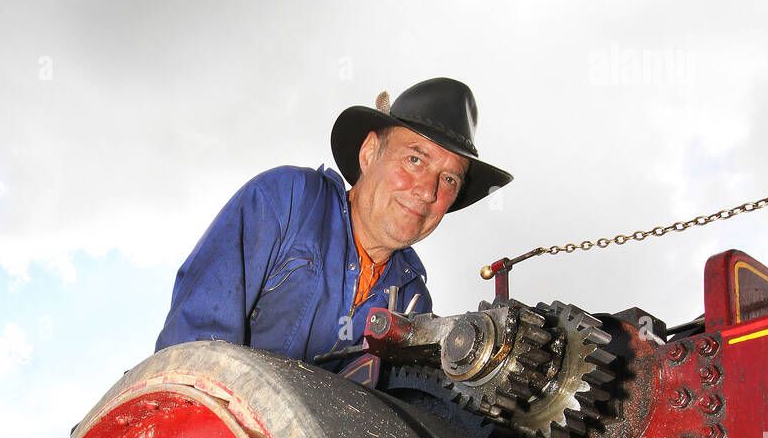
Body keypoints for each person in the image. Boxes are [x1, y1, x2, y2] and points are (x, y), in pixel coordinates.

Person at [155, 78, 511, 364]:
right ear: (370, 153)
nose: (428, 191)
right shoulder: (287, 200)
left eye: (449, 179)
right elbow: (193, 353)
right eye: (415, 160)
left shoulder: (413, 303)